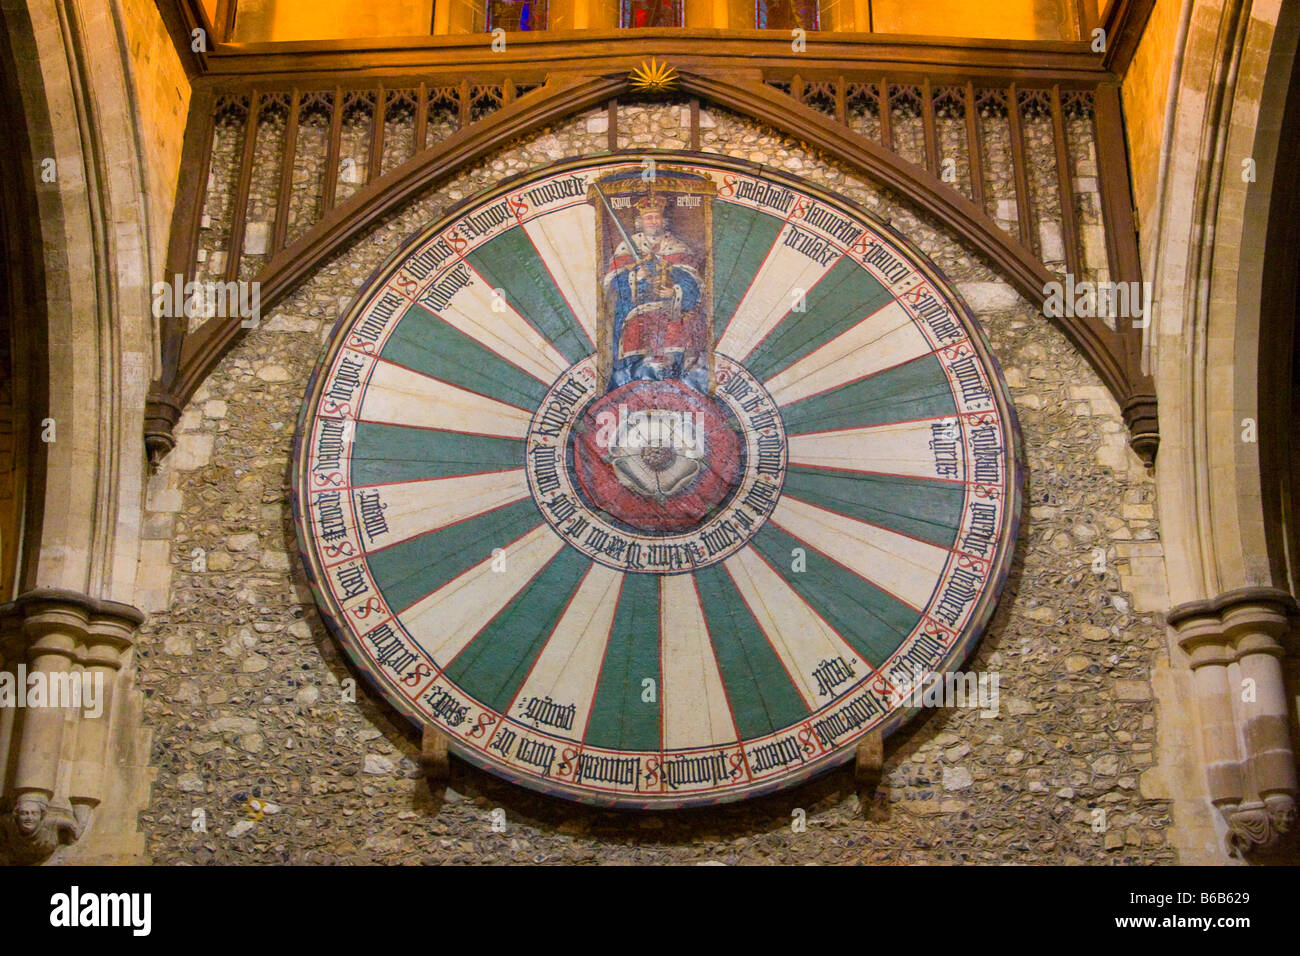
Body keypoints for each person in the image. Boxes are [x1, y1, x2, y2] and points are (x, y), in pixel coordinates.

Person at [601, 194, 708, 392]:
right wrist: (636, 277)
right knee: (635, 343)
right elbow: (612, 285)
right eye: (648, 217)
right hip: (635, 313)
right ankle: (633, 388)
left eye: (656, 217)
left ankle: (676, 388)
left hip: (670, 312)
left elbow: (693, 284)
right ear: (640, 222)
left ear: (663, 221)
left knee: (677, 339)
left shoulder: (677, 247)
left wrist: (673, 291)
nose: (653, 221)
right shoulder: (628, 247)